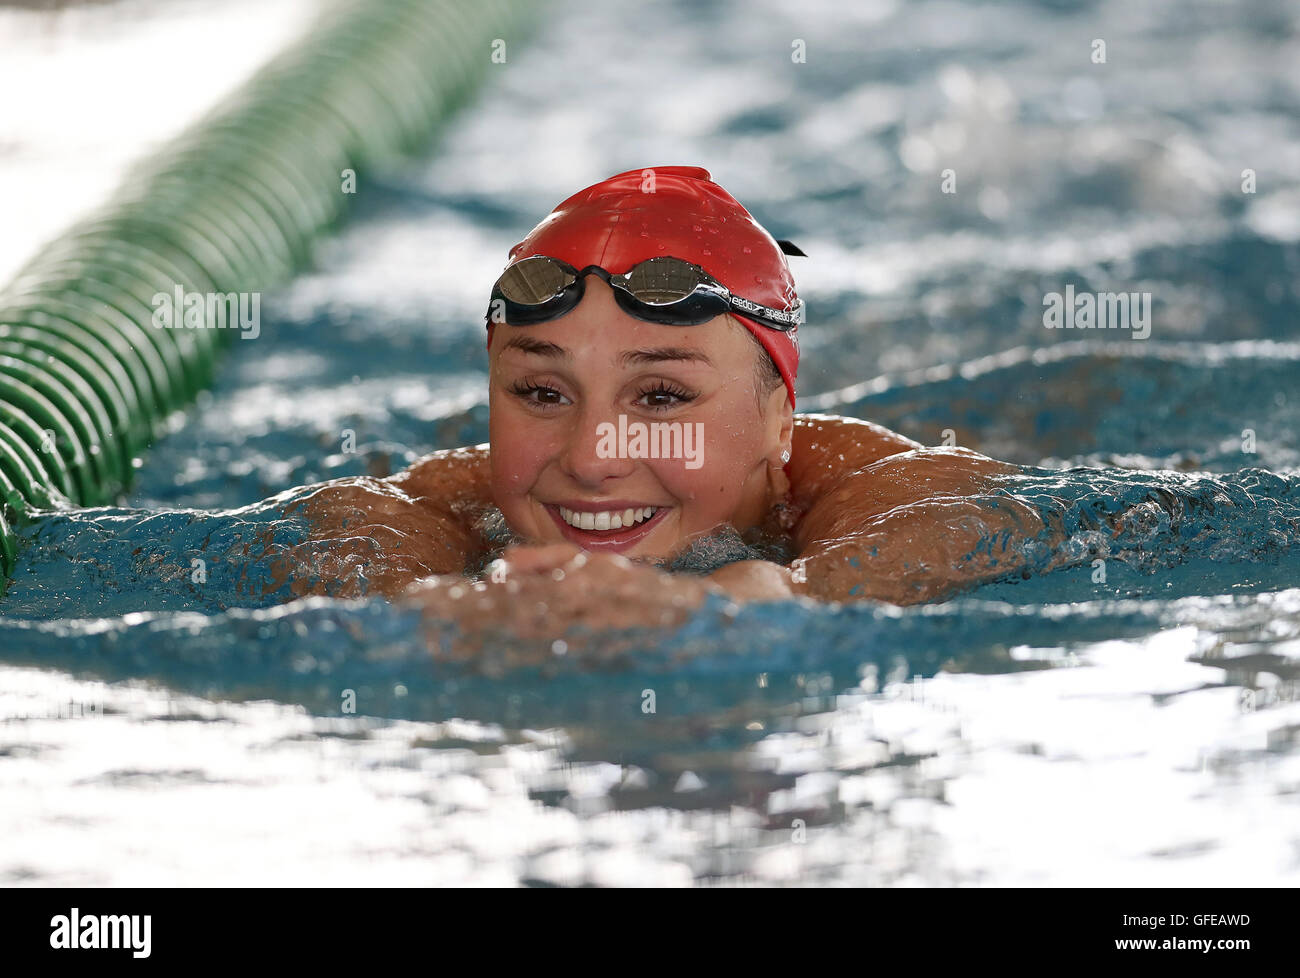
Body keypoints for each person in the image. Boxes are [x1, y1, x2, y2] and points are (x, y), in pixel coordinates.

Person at [279, 166, 1051, 647]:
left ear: (780, 418)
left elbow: (984, 523)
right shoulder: (425, 511)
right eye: (542, 393)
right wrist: (439, 617)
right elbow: (352, 556)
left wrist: (748, 600)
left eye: (660, 397)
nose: (591, 459)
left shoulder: (894, 489)